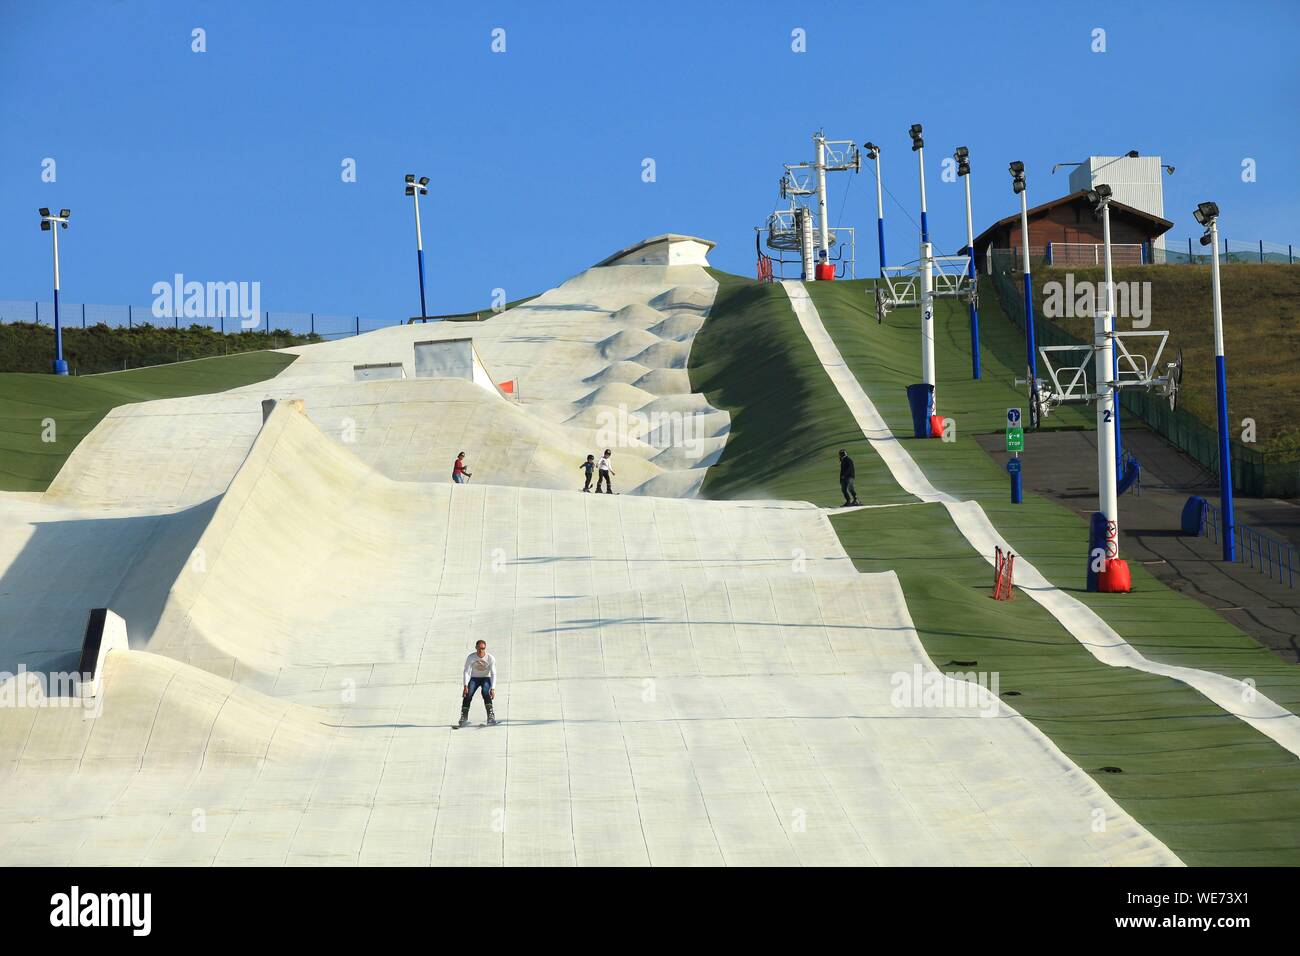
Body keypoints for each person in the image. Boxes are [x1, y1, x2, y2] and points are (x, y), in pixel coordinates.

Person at [460, 640, 497, 726]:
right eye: (479, 648)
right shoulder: (471, 657)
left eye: (483, 648)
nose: (481, 650)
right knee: (468, 694)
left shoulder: (490, 658)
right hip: (474, 678)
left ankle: (491, 717)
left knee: (485, 692)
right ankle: (463, 717)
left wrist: (493, 688)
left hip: (486, 678)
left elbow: (493, 673)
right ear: (476, 648)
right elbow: (466, 671)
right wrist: (465, 686)